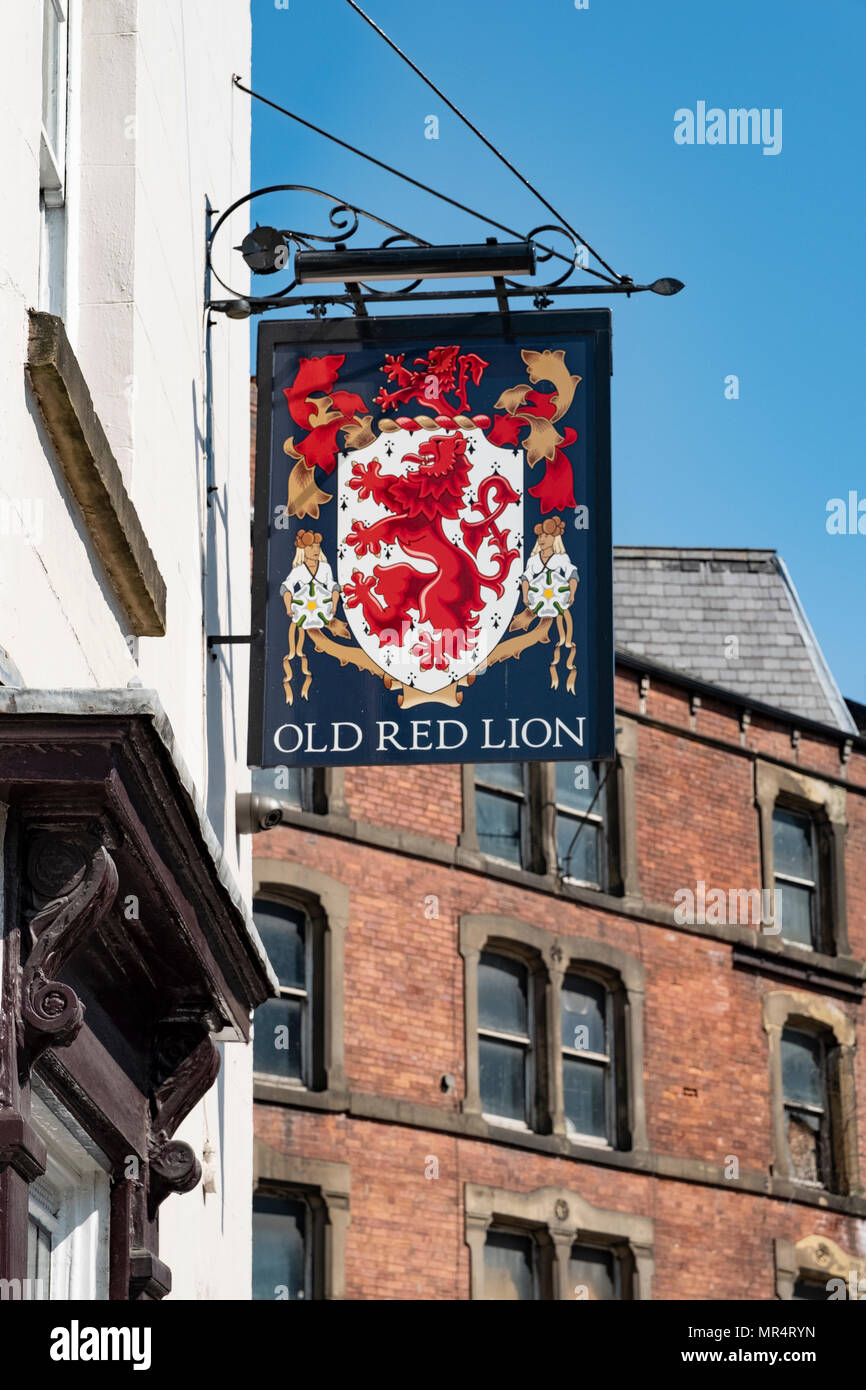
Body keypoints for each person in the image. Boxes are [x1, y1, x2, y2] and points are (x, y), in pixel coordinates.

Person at [519, 516, 578, 618]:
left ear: (554, 538)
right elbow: (526, 578)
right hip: (538, 602)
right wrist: (525, 596)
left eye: (546, 536)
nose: (541, 539)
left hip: (557, 601)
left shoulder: (561, 558)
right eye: (540, 536)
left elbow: (572, 574)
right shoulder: (533, 560)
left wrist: (572, 594)